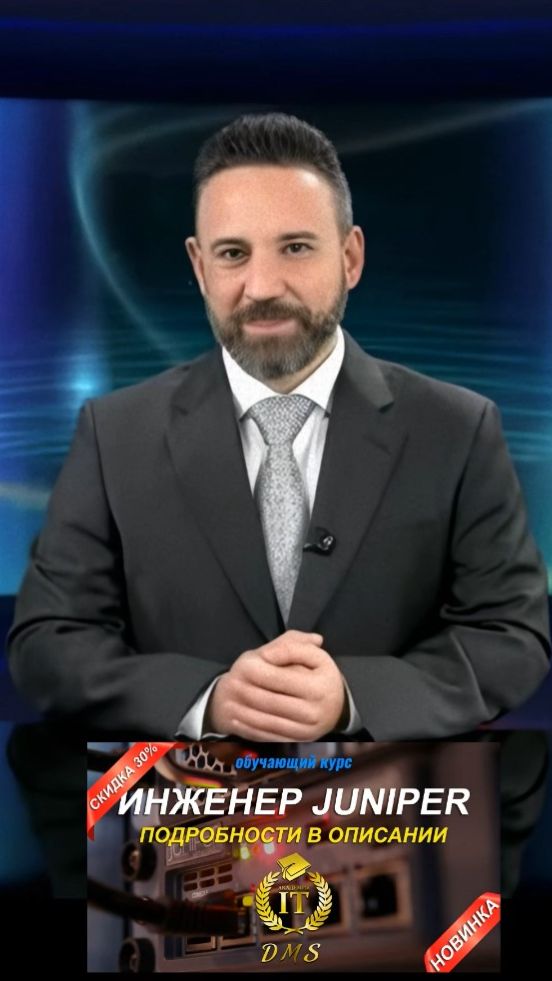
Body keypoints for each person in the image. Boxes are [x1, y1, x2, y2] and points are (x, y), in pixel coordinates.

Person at [7, 113, 550, 742]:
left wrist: (354, 698)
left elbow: (511, 635)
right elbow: (48, 643)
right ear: (200, 266)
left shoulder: (457, 430)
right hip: (182, 803)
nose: (262, 287)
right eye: (233, 254)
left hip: (390, 801)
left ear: (350, 257)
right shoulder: (114, 435)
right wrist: (207, 700)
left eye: (295, 248)